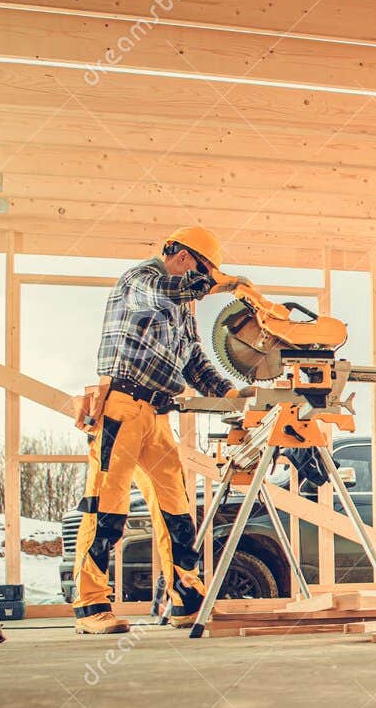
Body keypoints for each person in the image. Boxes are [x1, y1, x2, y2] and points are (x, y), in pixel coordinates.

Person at [71, 226, 248, 634]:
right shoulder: (140, 281)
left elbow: (195, 361)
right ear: (183, 258)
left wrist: (232, 394)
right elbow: (162, 292)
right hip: (121, 407)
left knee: (176, 510)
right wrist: (225, 284)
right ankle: (90, 605)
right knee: (105, 507)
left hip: (156, 414)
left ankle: (185, 597)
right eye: (201, 273)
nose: (201, 290)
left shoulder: (183, 309)